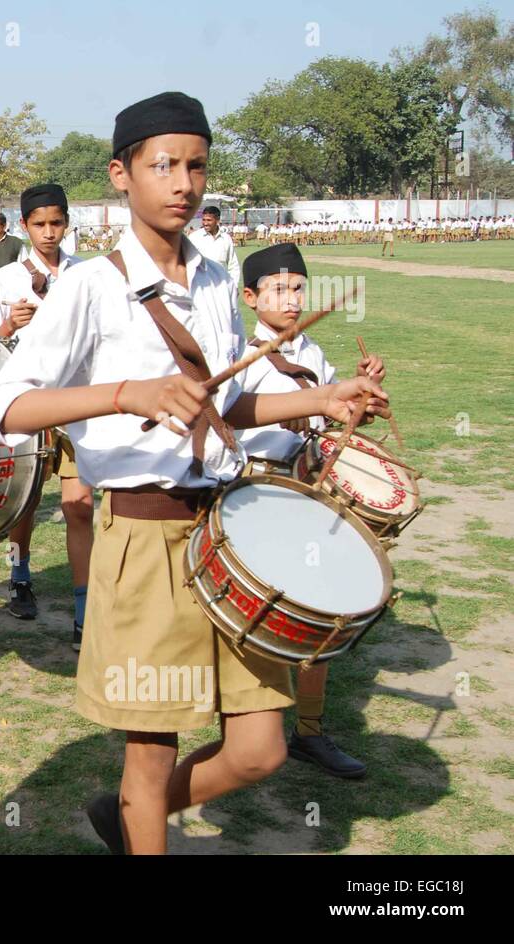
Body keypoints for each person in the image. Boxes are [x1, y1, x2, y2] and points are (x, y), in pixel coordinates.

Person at [0, 91, 389, 855]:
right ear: (121, 176)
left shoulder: (214, 281)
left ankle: (131, 816)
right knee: (152, 748)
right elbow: (2, 409)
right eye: (163, 164)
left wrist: (324, 396)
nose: (183, 182)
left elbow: (226, 405)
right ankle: (140, 816)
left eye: (196, 165)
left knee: (259, 749)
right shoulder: (90, 287)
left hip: (229, 535)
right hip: (144, 538)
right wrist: (128, 394)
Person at [235, 242, 384, 781]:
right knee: (263, 616)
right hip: (252, 494)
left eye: (300, 287)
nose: (293, 298)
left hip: (307, 496)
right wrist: (294, 415)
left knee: (323, 609)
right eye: (279, 289)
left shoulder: (315, 354)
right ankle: (248, 726)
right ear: (251, 297)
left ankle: (310, 732)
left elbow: (336, 423)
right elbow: (226, 420)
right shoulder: (242, 359)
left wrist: (363, 400)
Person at [0, 184, 92, 647]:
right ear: (24, 225)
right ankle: (20, 576)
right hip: (27, 403)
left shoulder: (87, 274)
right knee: (25, 502)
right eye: (39, 224)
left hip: (77, 403)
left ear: (67, 223)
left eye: (57, 223)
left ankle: (85, 611)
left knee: (80, 507)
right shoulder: (7, 277)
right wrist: (11, 325)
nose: (49, 232)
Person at [187, 206, 240, 293]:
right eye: (204, 220)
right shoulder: (194, 237)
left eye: (209, 220)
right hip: (200, 287)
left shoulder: (226, 239)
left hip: (221, 287)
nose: (205, 223)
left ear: (218, 220)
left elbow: (233, 265)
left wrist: (235, 285)